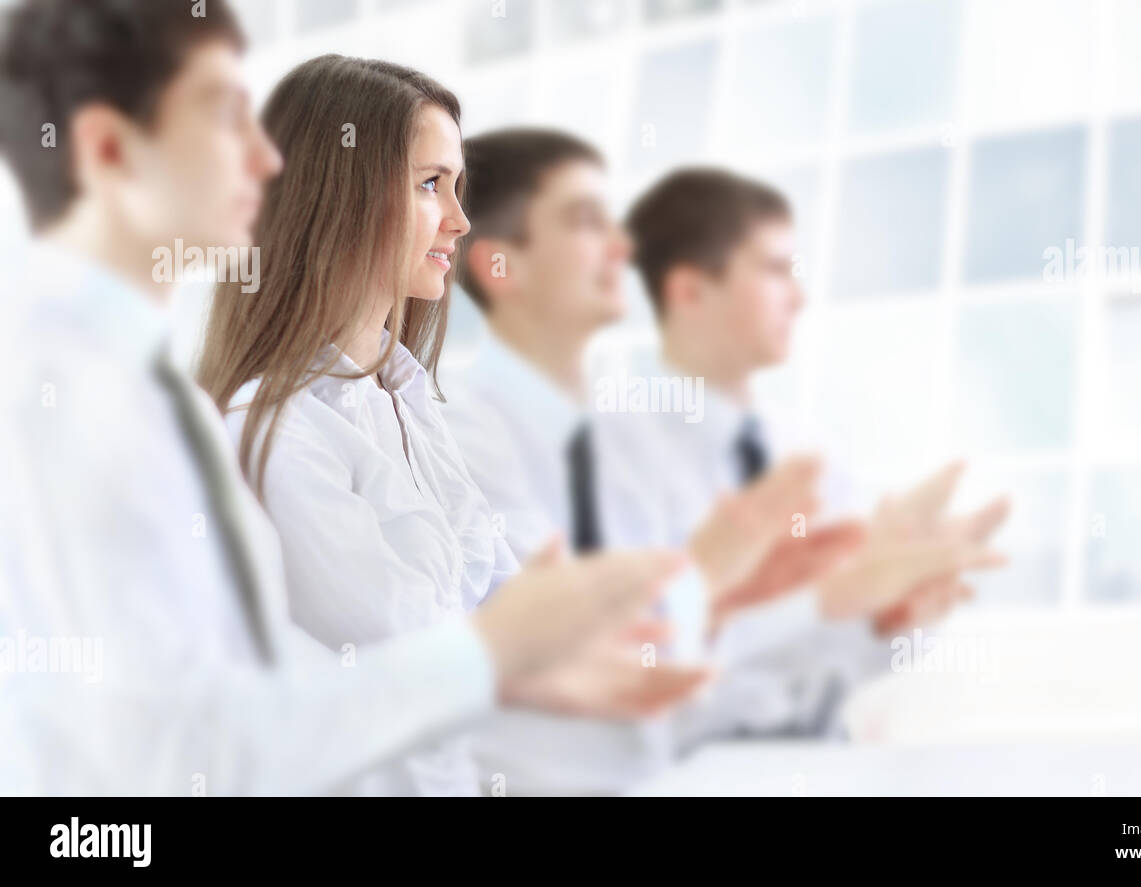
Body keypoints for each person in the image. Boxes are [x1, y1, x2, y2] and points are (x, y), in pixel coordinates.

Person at [0, 0, 691, 796]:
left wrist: (546, 651)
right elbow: (220, 733)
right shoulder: (230, 426)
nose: (261, 161)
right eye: (432, 184)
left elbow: (489, 617)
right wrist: (500, 654)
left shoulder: (397, 403)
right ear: (109, 148)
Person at [196, 55, 828, 795]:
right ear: (343, 195)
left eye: (459, 188)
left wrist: (712, 589)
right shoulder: (275, 434)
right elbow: (436, 658)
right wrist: (692, 580)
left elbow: (512, 607)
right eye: (431, 185)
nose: (459, 220)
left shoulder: (411, 405)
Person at [443, 129, 1006, 792]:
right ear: (500, 265)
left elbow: (682, 656)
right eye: (585, 221)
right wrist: (735, 588)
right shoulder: (464, 439)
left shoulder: (620, 445)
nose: (622, 249)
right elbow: (561, 656)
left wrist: (867, 614)